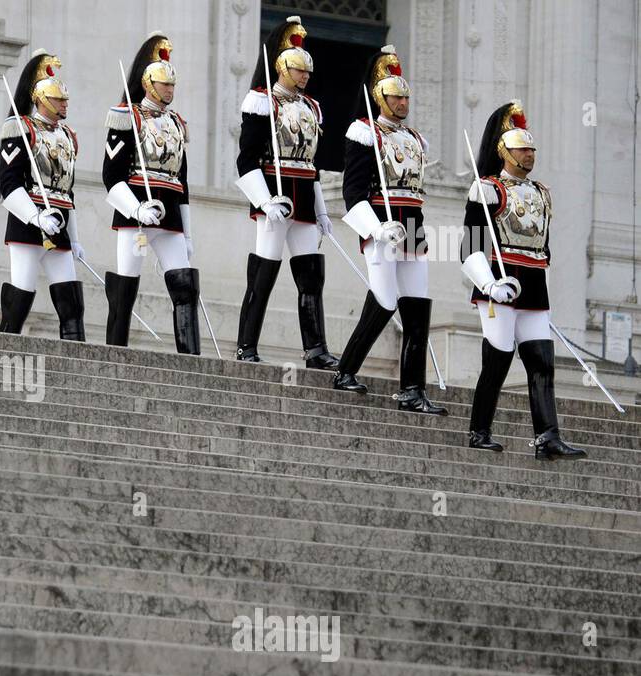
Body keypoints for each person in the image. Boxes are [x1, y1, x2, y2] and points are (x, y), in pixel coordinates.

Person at [461, 101, 585, 460]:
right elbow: (469, 248)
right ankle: (479, 430)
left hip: (533, 283)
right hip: (500, 281)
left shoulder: (542, 192)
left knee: (542, 360)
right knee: (498, 359)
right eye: (522, 149)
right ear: (504, 151)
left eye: (531, 149)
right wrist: (489, 285)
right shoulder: (487, 190)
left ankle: (547, 437)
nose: (529, 155)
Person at [332, 46, 445, 414]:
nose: (402, 102)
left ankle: (413, 388)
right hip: (382, 222)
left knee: (417, 307)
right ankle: (346, 369)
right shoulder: (365, 133)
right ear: (380, 96)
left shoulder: (414, 138)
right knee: (384, 300)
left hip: (413, 225)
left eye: (405, 96)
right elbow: (353, 192)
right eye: (395, 95)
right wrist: (376, 228)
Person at [233, 16, 338, 369]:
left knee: (311, 275)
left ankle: (316, 349)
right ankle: (246, 344)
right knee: (265, 270)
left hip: (304, 196)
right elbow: (246, 159)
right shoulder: (262, 101)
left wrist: (321, 210)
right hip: (275, 194)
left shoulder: (311, 108)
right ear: (281, 67)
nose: (305, 76)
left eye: (307, 70)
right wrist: (264, 201)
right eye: (298, 69)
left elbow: (312, 166)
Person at [101, 32, 198, 353]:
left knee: (185, 284)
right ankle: (116, 349)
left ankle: (190, 355)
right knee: (126, 283)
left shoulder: (176, 123)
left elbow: (182, 184)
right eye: (164, 84)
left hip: (169, 216)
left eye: (173, 85)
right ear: (148, 84)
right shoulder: (126, 117)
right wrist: (136, 209)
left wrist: (187, 231)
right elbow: (111, 177)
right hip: (136, 216)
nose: (170, 90)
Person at [0, 49, 85, 339]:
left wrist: (75, 236)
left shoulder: (68, 136)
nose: (64, 104)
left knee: (71, 302)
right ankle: (3, 346)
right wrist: (35, 216)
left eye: (64, 99)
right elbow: (8, 185)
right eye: (58, 99)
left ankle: (77, 361)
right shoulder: (20, 128)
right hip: (27, 223)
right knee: (22, 293)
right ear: (40, 98)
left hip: (58, 224)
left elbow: (67, 193)